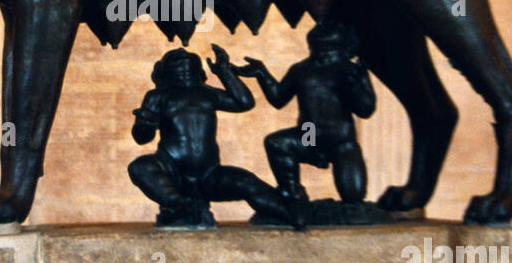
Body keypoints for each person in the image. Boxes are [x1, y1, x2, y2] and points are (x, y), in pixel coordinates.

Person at [129, 45, 305, 229]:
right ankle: (181, 206)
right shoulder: (157, 97)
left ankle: (291, 214)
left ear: (199, 73)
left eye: (188, 67)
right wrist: (146, 123)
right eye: (177, 67)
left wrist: (224, 71)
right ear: (164, 73)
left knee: (247, 182)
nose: (183, 67)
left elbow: (244, 102)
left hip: (209, 173)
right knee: (141, 167)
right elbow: (141, 138)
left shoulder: (207, 93)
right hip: (172, 171)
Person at [233, 21, 376, 205]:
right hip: (309, 134)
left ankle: (348, 201)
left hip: (340, 139)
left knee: (353, 197)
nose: (321, 30)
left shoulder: (350, 70)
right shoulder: (301, 70)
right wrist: (262, 74)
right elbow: (278, 99)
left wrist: (355, 86)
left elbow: (365, 110)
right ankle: (292, 193)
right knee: (278, 143)